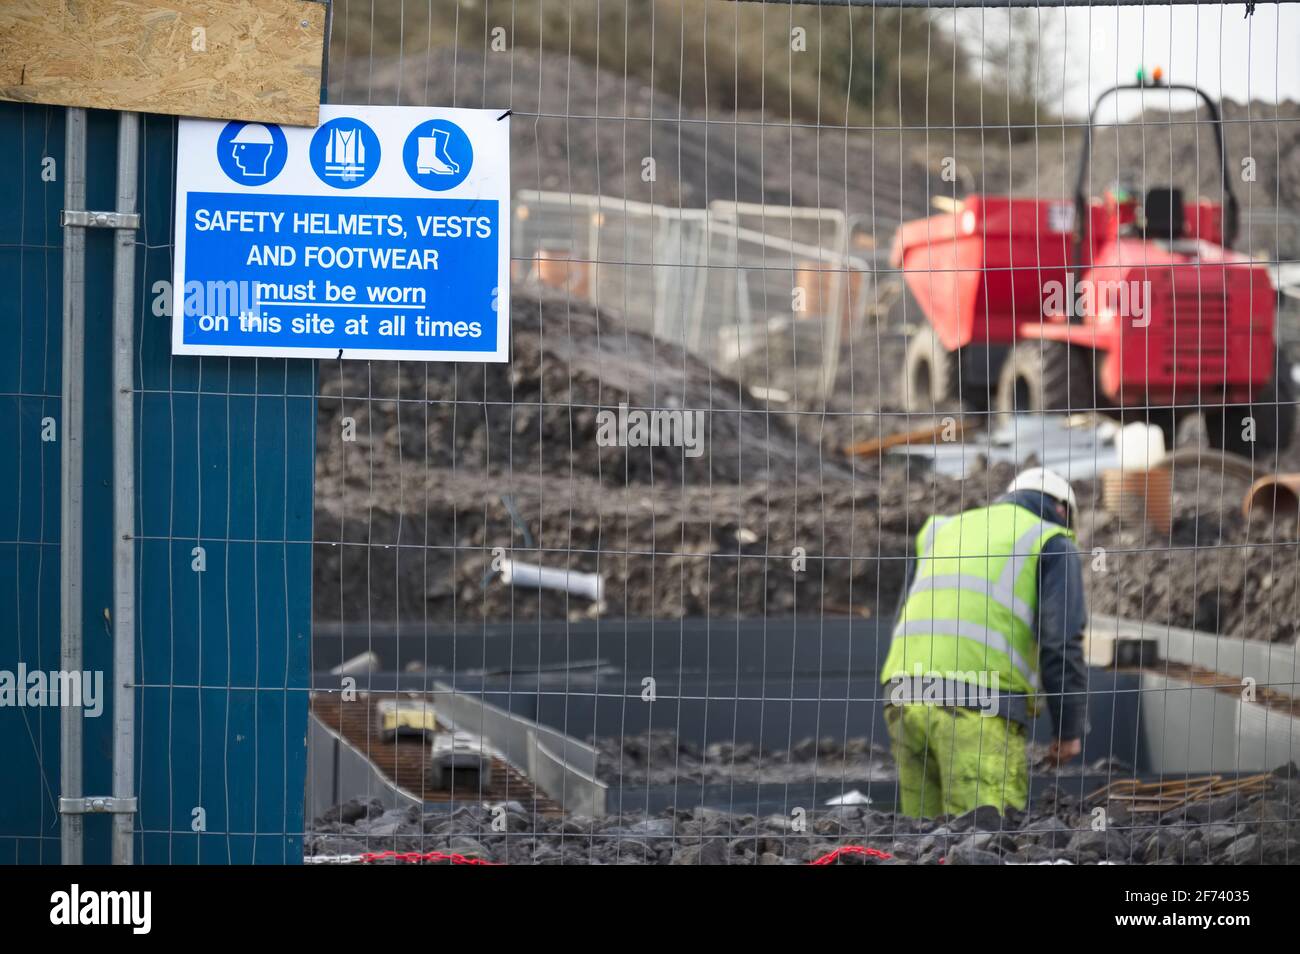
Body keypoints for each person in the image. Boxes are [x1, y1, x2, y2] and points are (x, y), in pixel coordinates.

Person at [881, 467, 1088, 817]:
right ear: (1063, 510)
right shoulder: (1051, 540)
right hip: (976, 707)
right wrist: (1068, 729)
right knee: (985, 839)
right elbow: (1060, 642)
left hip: (903, 697)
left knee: (919, 842)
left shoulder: (941, 530)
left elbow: (904, 614)